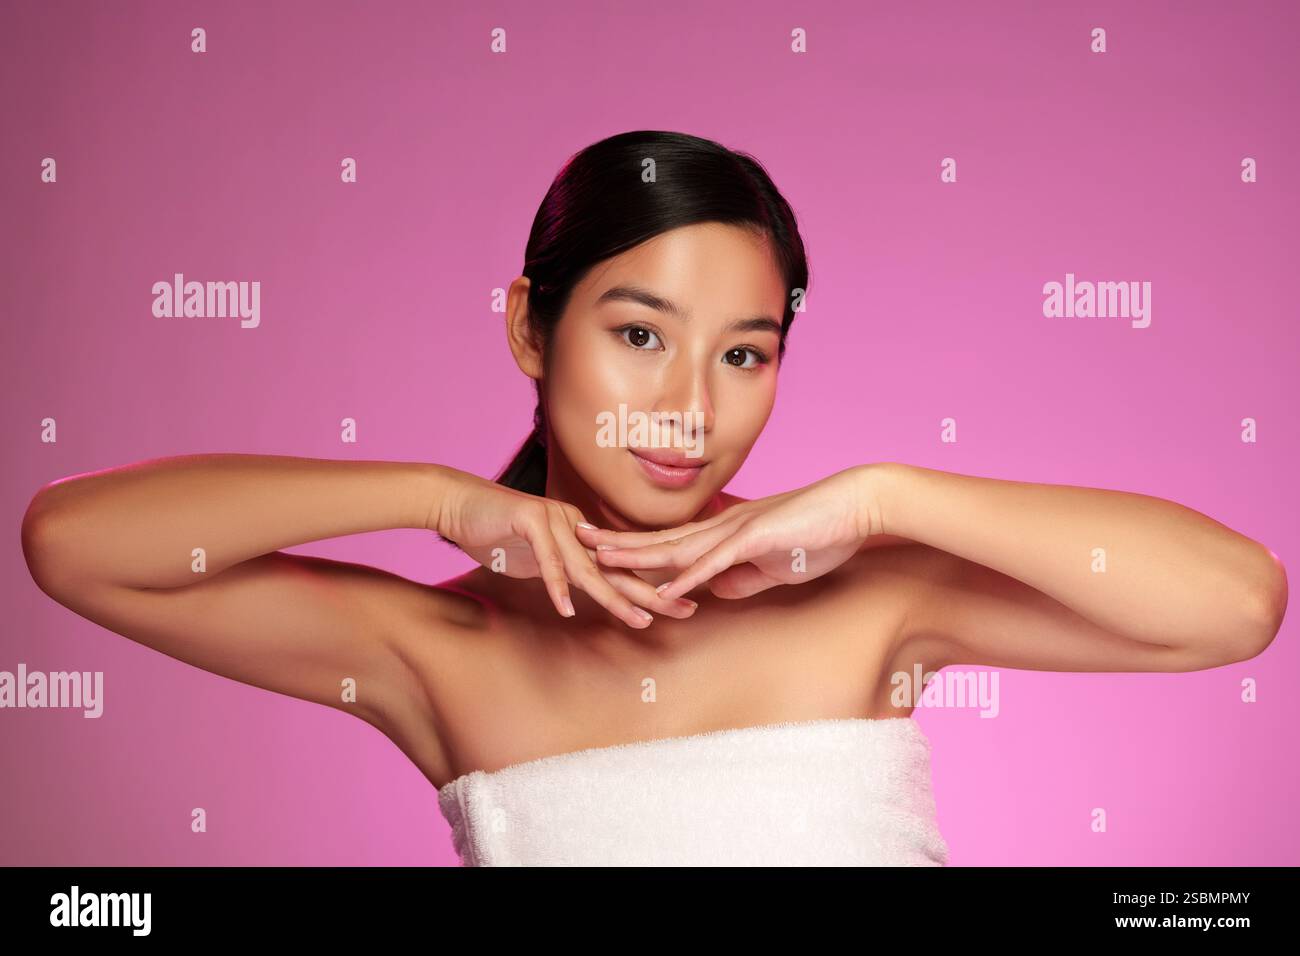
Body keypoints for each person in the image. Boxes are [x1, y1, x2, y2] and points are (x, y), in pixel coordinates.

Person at [20, 130, 1288, 866]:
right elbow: (73, 544)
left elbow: (1234, 604)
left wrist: (881, 497)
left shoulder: (870, 598)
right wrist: (443, 501)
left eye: (745, 352)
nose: (690, 405)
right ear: (530, 326)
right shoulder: (435, 650)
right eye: (639, 333)